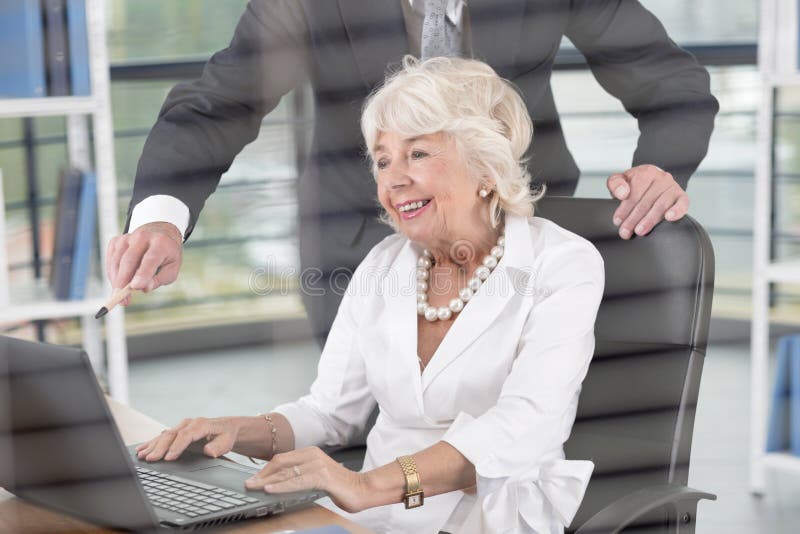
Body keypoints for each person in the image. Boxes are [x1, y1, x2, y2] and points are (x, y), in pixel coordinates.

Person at [133, 56, 605, 534]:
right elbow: (330, 411)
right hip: (372, 519)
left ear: (485, 164)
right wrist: (237, 430)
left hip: (493, 516)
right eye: (383, 160)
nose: (393, 179)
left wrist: (364, 486)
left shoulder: (562, 262)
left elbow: (523, 425)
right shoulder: (385, 262)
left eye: (417, 154)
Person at [107, 0, 718, 346]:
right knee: (362, 447)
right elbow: (222, 102)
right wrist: (160, 219)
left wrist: (659, 167)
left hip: (522, 235)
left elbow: (671, 80)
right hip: (359, 246)